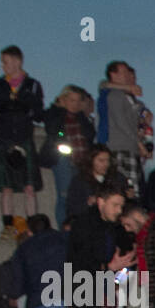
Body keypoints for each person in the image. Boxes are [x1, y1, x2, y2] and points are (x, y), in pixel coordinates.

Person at [0, 45, 44, 240]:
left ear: (18, 61)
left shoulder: (32, 85)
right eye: (3, 62)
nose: (3, 66)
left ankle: (33, 227)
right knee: (6, 187)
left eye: (6, 61)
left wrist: (23, 105)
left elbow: (38, 113)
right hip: (4, 137)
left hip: (24, 137)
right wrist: (4, 107)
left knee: (29, 187)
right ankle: (8, 226)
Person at [41, 85, 96, 228]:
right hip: (63, 159)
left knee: (80, 196)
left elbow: (90, 135)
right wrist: (62, 135)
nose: (75, 104)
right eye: (72, 100)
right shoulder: (55, 114)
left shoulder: (82, 118)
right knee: (64, 195)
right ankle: (64, 227)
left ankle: (78, 226)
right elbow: (54, 131)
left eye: (78, 101)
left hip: (81, 160)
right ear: (64, 99)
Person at [98, 61, 145, 197]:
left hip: (129, 148)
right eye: (123, 72)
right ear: (114, 75)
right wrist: (139, 143)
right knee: (127, 189)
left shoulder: (127, 97)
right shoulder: (114, 94)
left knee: (132, 189)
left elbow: (136, 115)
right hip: (120, 148)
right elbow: (121, 123)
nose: (128, 76)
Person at [65, 144, 125, 224]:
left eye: (107, 160)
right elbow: (71, 209)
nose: (105, 164)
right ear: (91, 161)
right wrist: (88, 203)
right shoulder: (80, 181)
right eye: (101, 160)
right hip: (89, 223)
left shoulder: (117, 178)